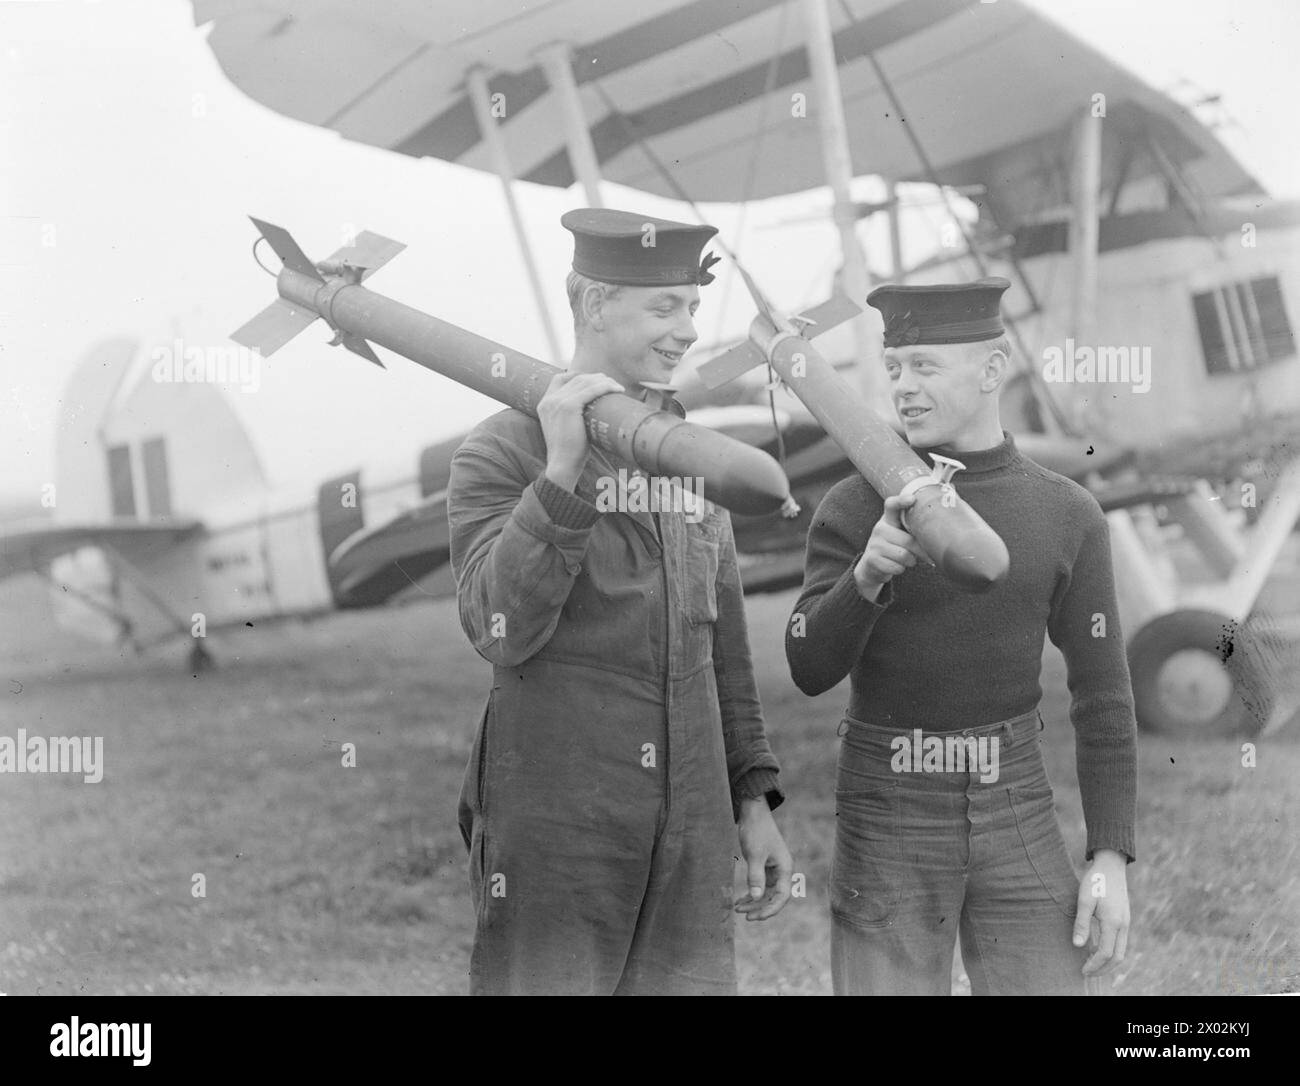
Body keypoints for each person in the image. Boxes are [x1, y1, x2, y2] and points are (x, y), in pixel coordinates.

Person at [448, 208, 793, 995]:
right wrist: (560, 476)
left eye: (692, 309)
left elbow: (724, 651)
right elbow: (499, 629)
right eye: (664, 309)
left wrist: (752, 799)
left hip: (692, 821)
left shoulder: (687, 452)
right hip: (562, 820)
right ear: (596, 303)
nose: (686, 332)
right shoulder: (502, 450)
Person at [785, 277, 1136, 995]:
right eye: (892, 369)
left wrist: (1109, 857)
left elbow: (1103, 693)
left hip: (1016, 802)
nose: (902, 388)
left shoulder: (1066, 513)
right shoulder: (856, 504)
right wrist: (865, 580)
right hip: (890, 806)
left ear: (992, 368)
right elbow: (807, 665)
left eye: (925, 367)